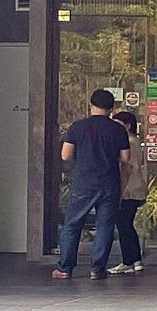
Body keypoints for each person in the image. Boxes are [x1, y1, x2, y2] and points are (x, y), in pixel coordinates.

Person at [54, 89, 130, 280]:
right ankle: (97, 269)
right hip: (109, 182)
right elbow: (125, 158)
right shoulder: (118, 129)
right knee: (105, 226)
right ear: (112, 108)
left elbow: (65, 155)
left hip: (84, 182)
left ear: (91, 105)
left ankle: (65, 268)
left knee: (72, 225)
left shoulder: (77, 127)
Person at [107, 110, 147, 275]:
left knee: (124, 225)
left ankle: (129, 261)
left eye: (118, 124)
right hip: (135, 189)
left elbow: (128, 167)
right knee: (127, 225)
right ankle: (135, 260)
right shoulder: (135, 141)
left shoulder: (129, 142)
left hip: (128, 190)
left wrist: (120, 189)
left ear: (128, 125)